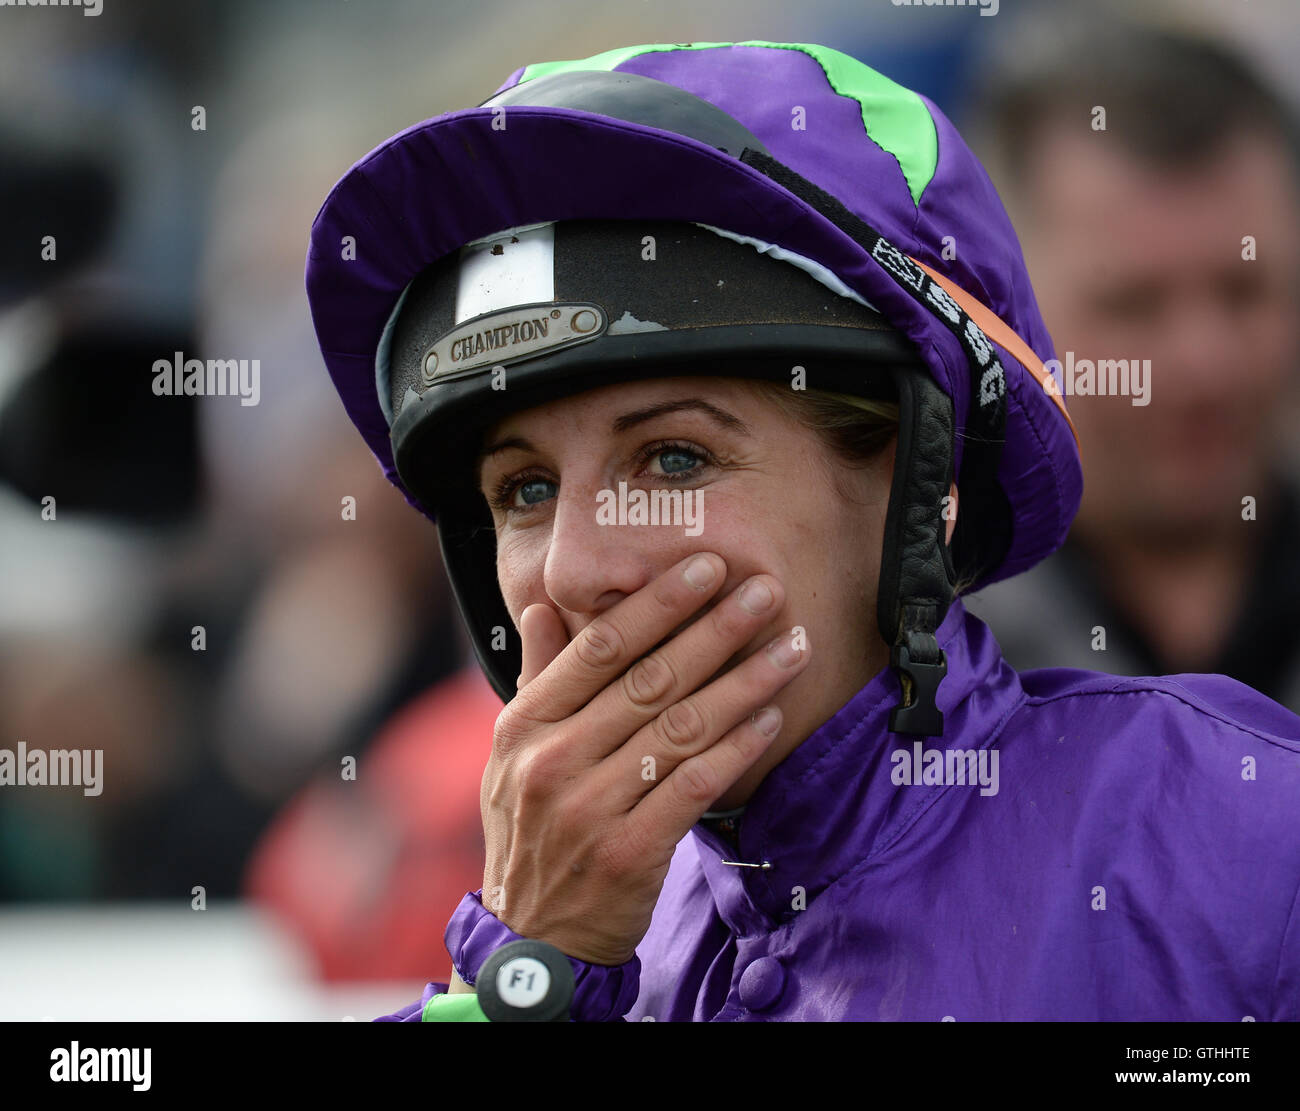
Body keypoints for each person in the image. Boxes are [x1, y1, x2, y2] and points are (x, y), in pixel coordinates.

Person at [305, 41, 1300, 1021]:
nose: (573, 568)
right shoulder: (535, 931)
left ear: (917, 478)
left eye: (673, 458)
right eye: (523, 489)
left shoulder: (1242, 837)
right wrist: (527, 981)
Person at [960, 22, 1300, 712]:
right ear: (997, 309)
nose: (1204, 363)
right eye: (1133, 306)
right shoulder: (908, 661)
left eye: (1245, 291)